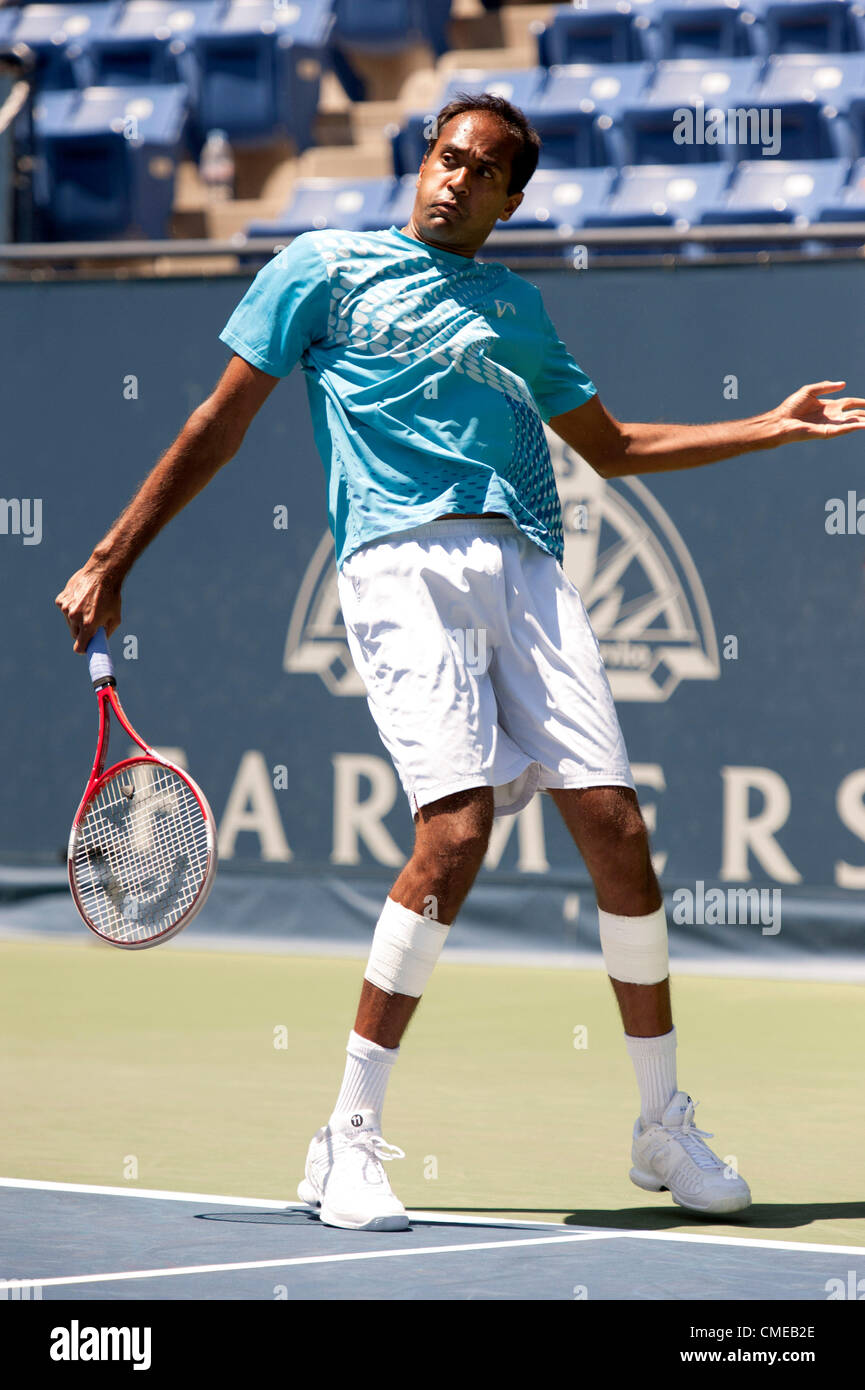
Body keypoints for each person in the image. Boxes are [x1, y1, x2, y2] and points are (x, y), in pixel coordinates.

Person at [57, 93, 865, 1234]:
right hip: (396, 565)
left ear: (509, 199)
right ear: (423, 162)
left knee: (617, 830)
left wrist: (771, 428)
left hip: (526, 567)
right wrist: (110, 554)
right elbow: (217, 423)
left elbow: (617, 447)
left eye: (480, 171)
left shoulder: (516, 307)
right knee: (456, 830)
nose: (452, 180)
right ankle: (347, 1136)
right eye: (444, 157)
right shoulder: (320, 269)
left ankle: (659, 1126)